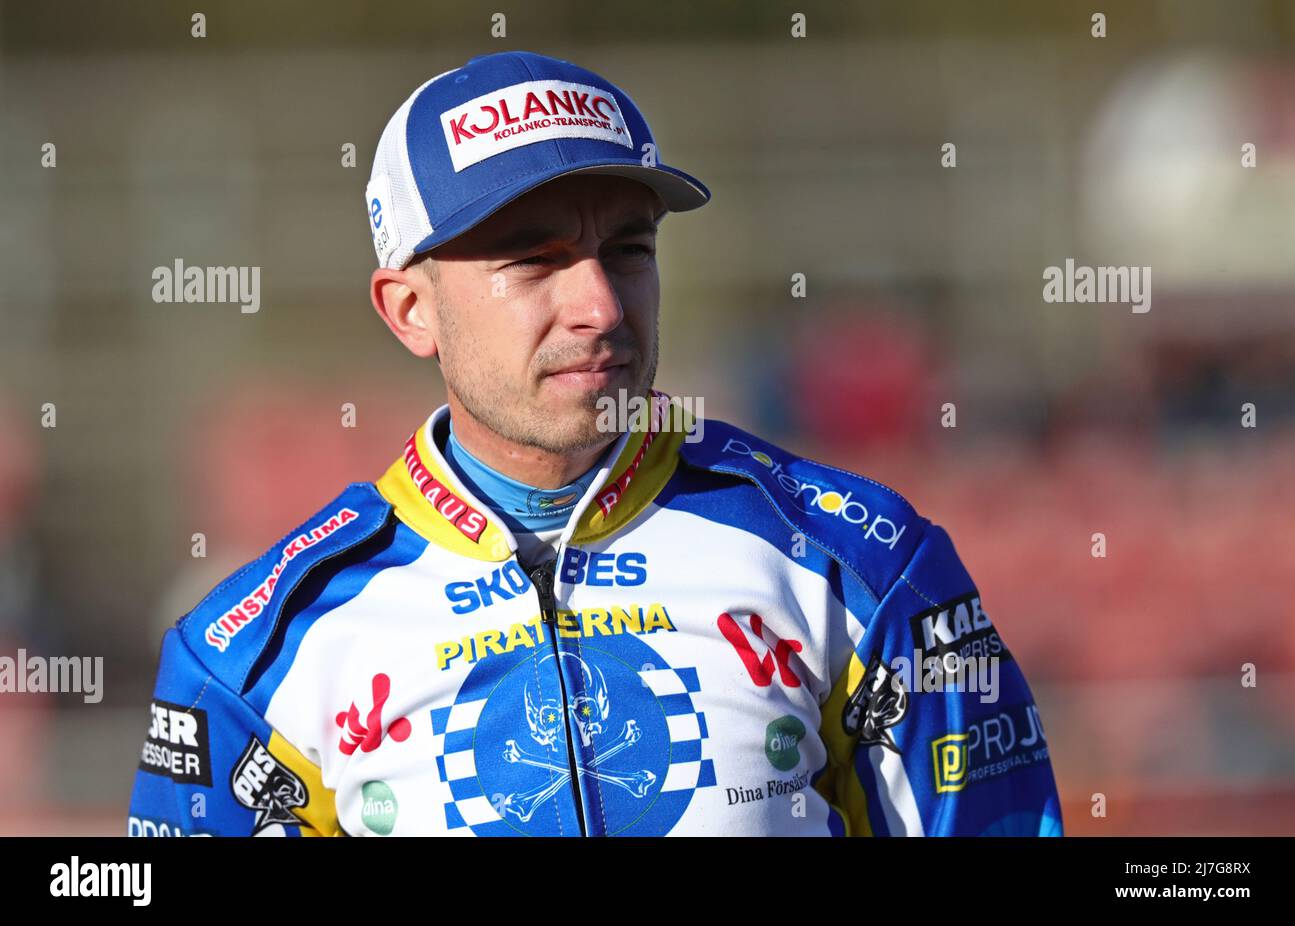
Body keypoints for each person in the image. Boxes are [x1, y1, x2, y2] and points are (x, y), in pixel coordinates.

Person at [128, 50, 1062, 837]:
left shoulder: (863, 562)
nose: (601, 307)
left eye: (629, 250)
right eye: (533, 260)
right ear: (410, 310)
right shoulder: (249, 659)